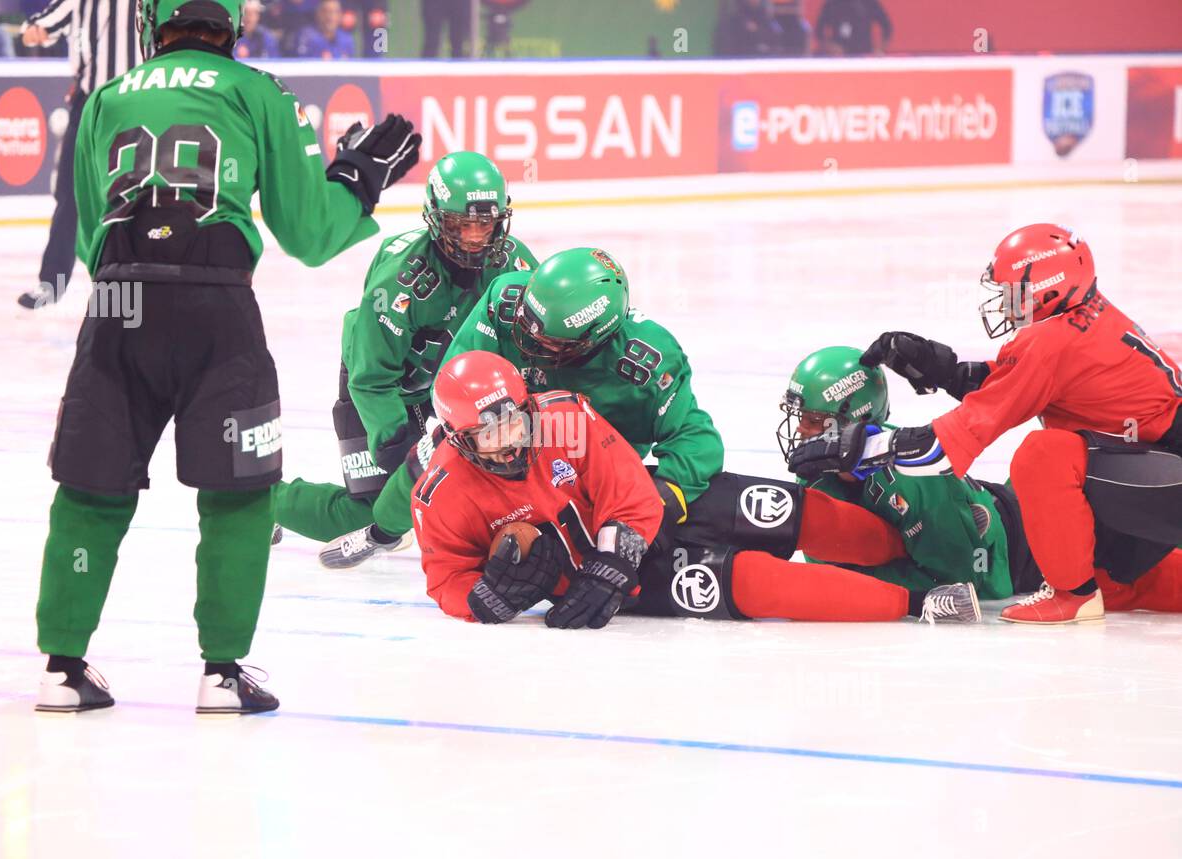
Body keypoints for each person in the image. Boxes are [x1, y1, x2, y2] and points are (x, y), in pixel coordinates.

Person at [34, 0, 420, 714]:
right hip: (217, 309)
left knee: (90, 489)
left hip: (119, 306)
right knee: (239, 494)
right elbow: (308, 234)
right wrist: (358, 181)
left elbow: (93, 237)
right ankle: (221, 674)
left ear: (154, 22)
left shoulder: (108, 98)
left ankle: (62, 668)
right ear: (230, 25)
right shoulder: (258, 92)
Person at [442, 246, 924, 583]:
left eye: (549, 341)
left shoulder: (647, 363)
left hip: (589, 485)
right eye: (528, 324)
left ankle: (899, 555)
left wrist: (659, 501)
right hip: (494, 465)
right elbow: (455, 389)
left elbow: (696, 439)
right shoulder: (505, 302)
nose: (528, 341)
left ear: (596, 339)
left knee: (738, 511)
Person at [788, 224, 1182, 624]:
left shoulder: (1051, 345)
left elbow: (939, 449)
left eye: (1013, 293)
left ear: (1048, 286)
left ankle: (1074, 597)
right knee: (1114, 579)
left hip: (1163, 474)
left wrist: (864, 447)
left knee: (1044, 457)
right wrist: (942, 370)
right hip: (1154, 470)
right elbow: (1011, 383)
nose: (1006, 305)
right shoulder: (1079, 320)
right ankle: (1096, 584)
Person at [414, 352, 982, 627]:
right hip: (609, 584)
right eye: (489, 435)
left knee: (793, 513)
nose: (510, 440)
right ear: (455, 437)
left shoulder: (562, 415)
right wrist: (479, 602)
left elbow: (631, 488)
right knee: (758, 585)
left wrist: (613, 560)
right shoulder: (440, 494)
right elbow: (445, 577)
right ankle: (917, 602)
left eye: (515, 421)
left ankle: (929, 550)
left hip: (655, 515)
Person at [273, 151, 536, 567]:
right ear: (435, 217)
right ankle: (262, 501)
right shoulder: (400, 281)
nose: (473, 237)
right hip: (378, 387)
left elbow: (533, 337)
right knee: (376, 510)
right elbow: (371, 379)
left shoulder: (516, 263)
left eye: (483, 223)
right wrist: (399, 451)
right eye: (459, 224)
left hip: (451, 390)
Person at [779, 345, 1043, 598]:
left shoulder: (912, 479)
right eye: (799, 416)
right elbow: (824, 558)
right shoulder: (816, 466)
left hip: (1024, 551)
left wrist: (856, 577)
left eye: (813, 420)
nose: (801, 430)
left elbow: (960, 582)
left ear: (855, 420)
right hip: (970, 516)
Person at [17, 0, 141, 311]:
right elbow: (40, 25)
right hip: (89, 104)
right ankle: (52, 284)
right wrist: (34, 32)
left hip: (140, 103)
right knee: (70, 194)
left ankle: (130, 286)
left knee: (132, 196)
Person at [815, 0, 890, 57]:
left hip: (864, 55)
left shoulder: (869, 2)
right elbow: (819, 31)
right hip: (839, 57)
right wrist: (830, 47)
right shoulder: (832, 3)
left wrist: (880, 49)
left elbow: (887, 26)